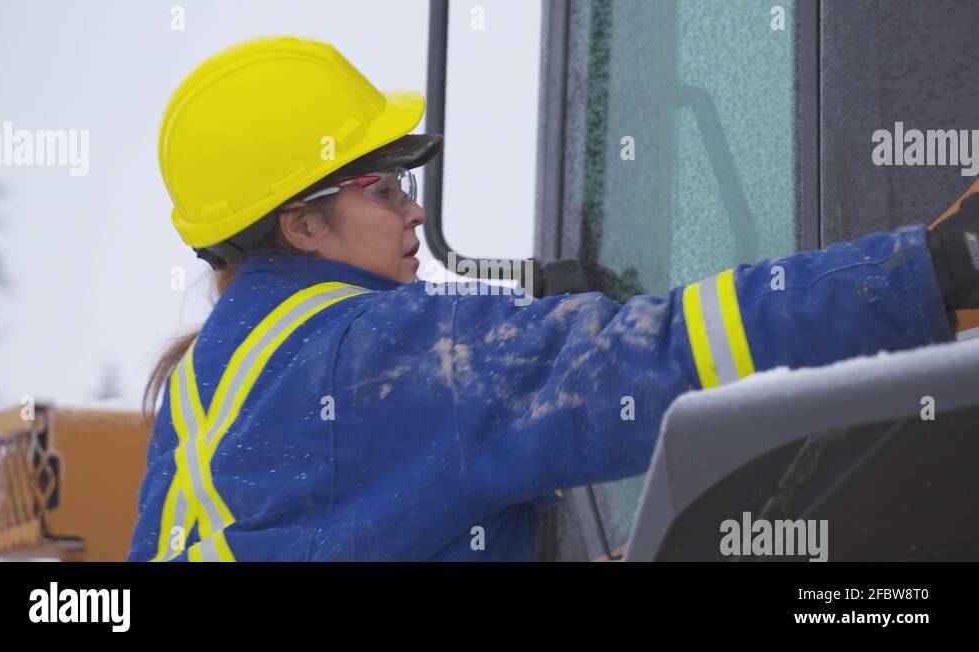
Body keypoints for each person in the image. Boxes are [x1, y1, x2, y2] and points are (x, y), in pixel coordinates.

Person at [128, 35, 979, 562]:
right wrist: (929, 270)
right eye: (383, 188)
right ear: (302, 228)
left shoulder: (205, 398)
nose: (415, 208)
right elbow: (652, 354)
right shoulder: (379, 356)